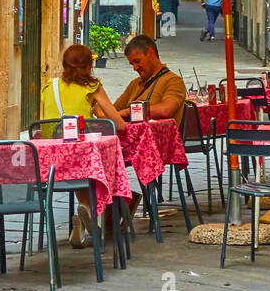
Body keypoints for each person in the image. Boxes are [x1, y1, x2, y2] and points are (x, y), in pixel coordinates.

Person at [40, 43, 129, 248]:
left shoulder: (49, 86)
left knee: (78, 160)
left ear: (64, 65)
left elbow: (45, 122)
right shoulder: (92, 86)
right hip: (81, 158)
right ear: (89, 66)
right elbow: (118, 124)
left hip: (51, 163)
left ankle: (83, 217)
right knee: (101, 161)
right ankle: (88, 209)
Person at [114, 35, 186, 127]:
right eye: (132, 64)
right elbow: (112, 111)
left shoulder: (174, 81)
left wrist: (129, 112)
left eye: (137, 61)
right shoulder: (134, 83)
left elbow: (166, 110)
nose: (135, 68)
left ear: (151, 53)